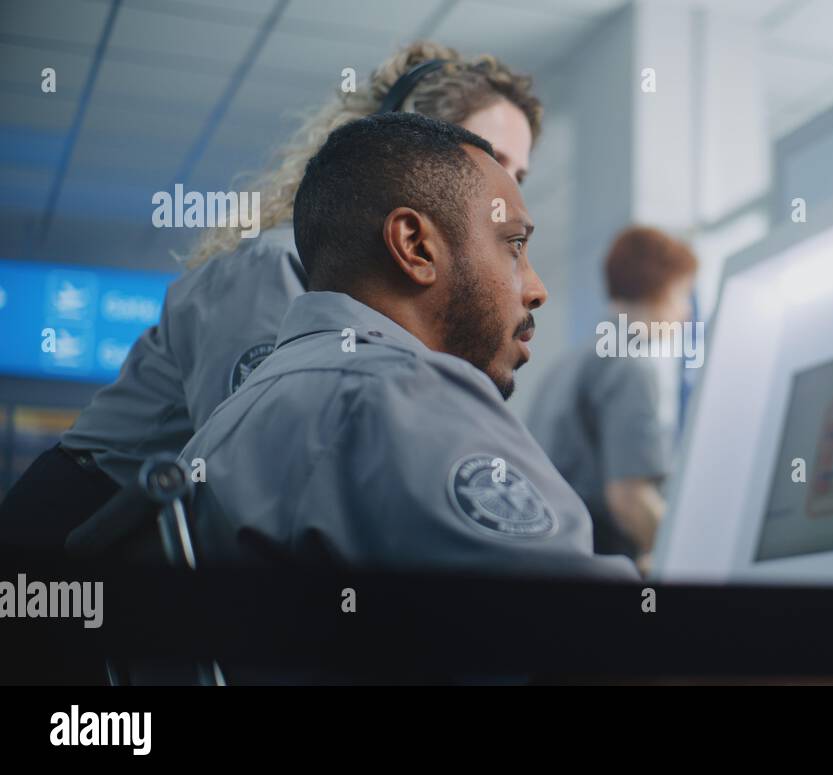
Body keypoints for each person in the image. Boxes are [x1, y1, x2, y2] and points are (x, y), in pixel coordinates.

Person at [0, 41, 543, 549]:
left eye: (517, 172)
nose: (505, 186)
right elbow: (264, 468)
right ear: (410, 140)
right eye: (489, 156)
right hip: (67, 544)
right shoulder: (277, 264)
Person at [177, 113, 634, 578]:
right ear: (415, 246)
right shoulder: (398, 392)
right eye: (513, 245)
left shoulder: (229, 421)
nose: (536, 289)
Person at [527, 227, 698, 573]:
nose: (685, 314)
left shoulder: (569, 363)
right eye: (682, 296)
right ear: (657, 291)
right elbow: (629, 499)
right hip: (597, 553)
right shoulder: (632, 366)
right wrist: (685, 555)